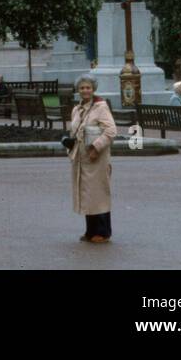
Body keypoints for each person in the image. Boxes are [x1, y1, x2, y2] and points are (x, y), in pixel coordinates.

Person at [63, 73, 117, 242]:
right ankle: (90, 231)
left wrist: (96, 147)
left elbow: (111, 131)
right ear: (78, 90)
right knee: (87, 194)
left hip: (96, 158)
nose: (85, 90)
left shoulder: (101, 106)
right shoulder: (77, 108)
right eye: (82, 88)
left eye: (88, 87)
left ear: (93, 89)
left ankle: (103, 232)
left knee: (98, 193)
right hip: (81, 157)